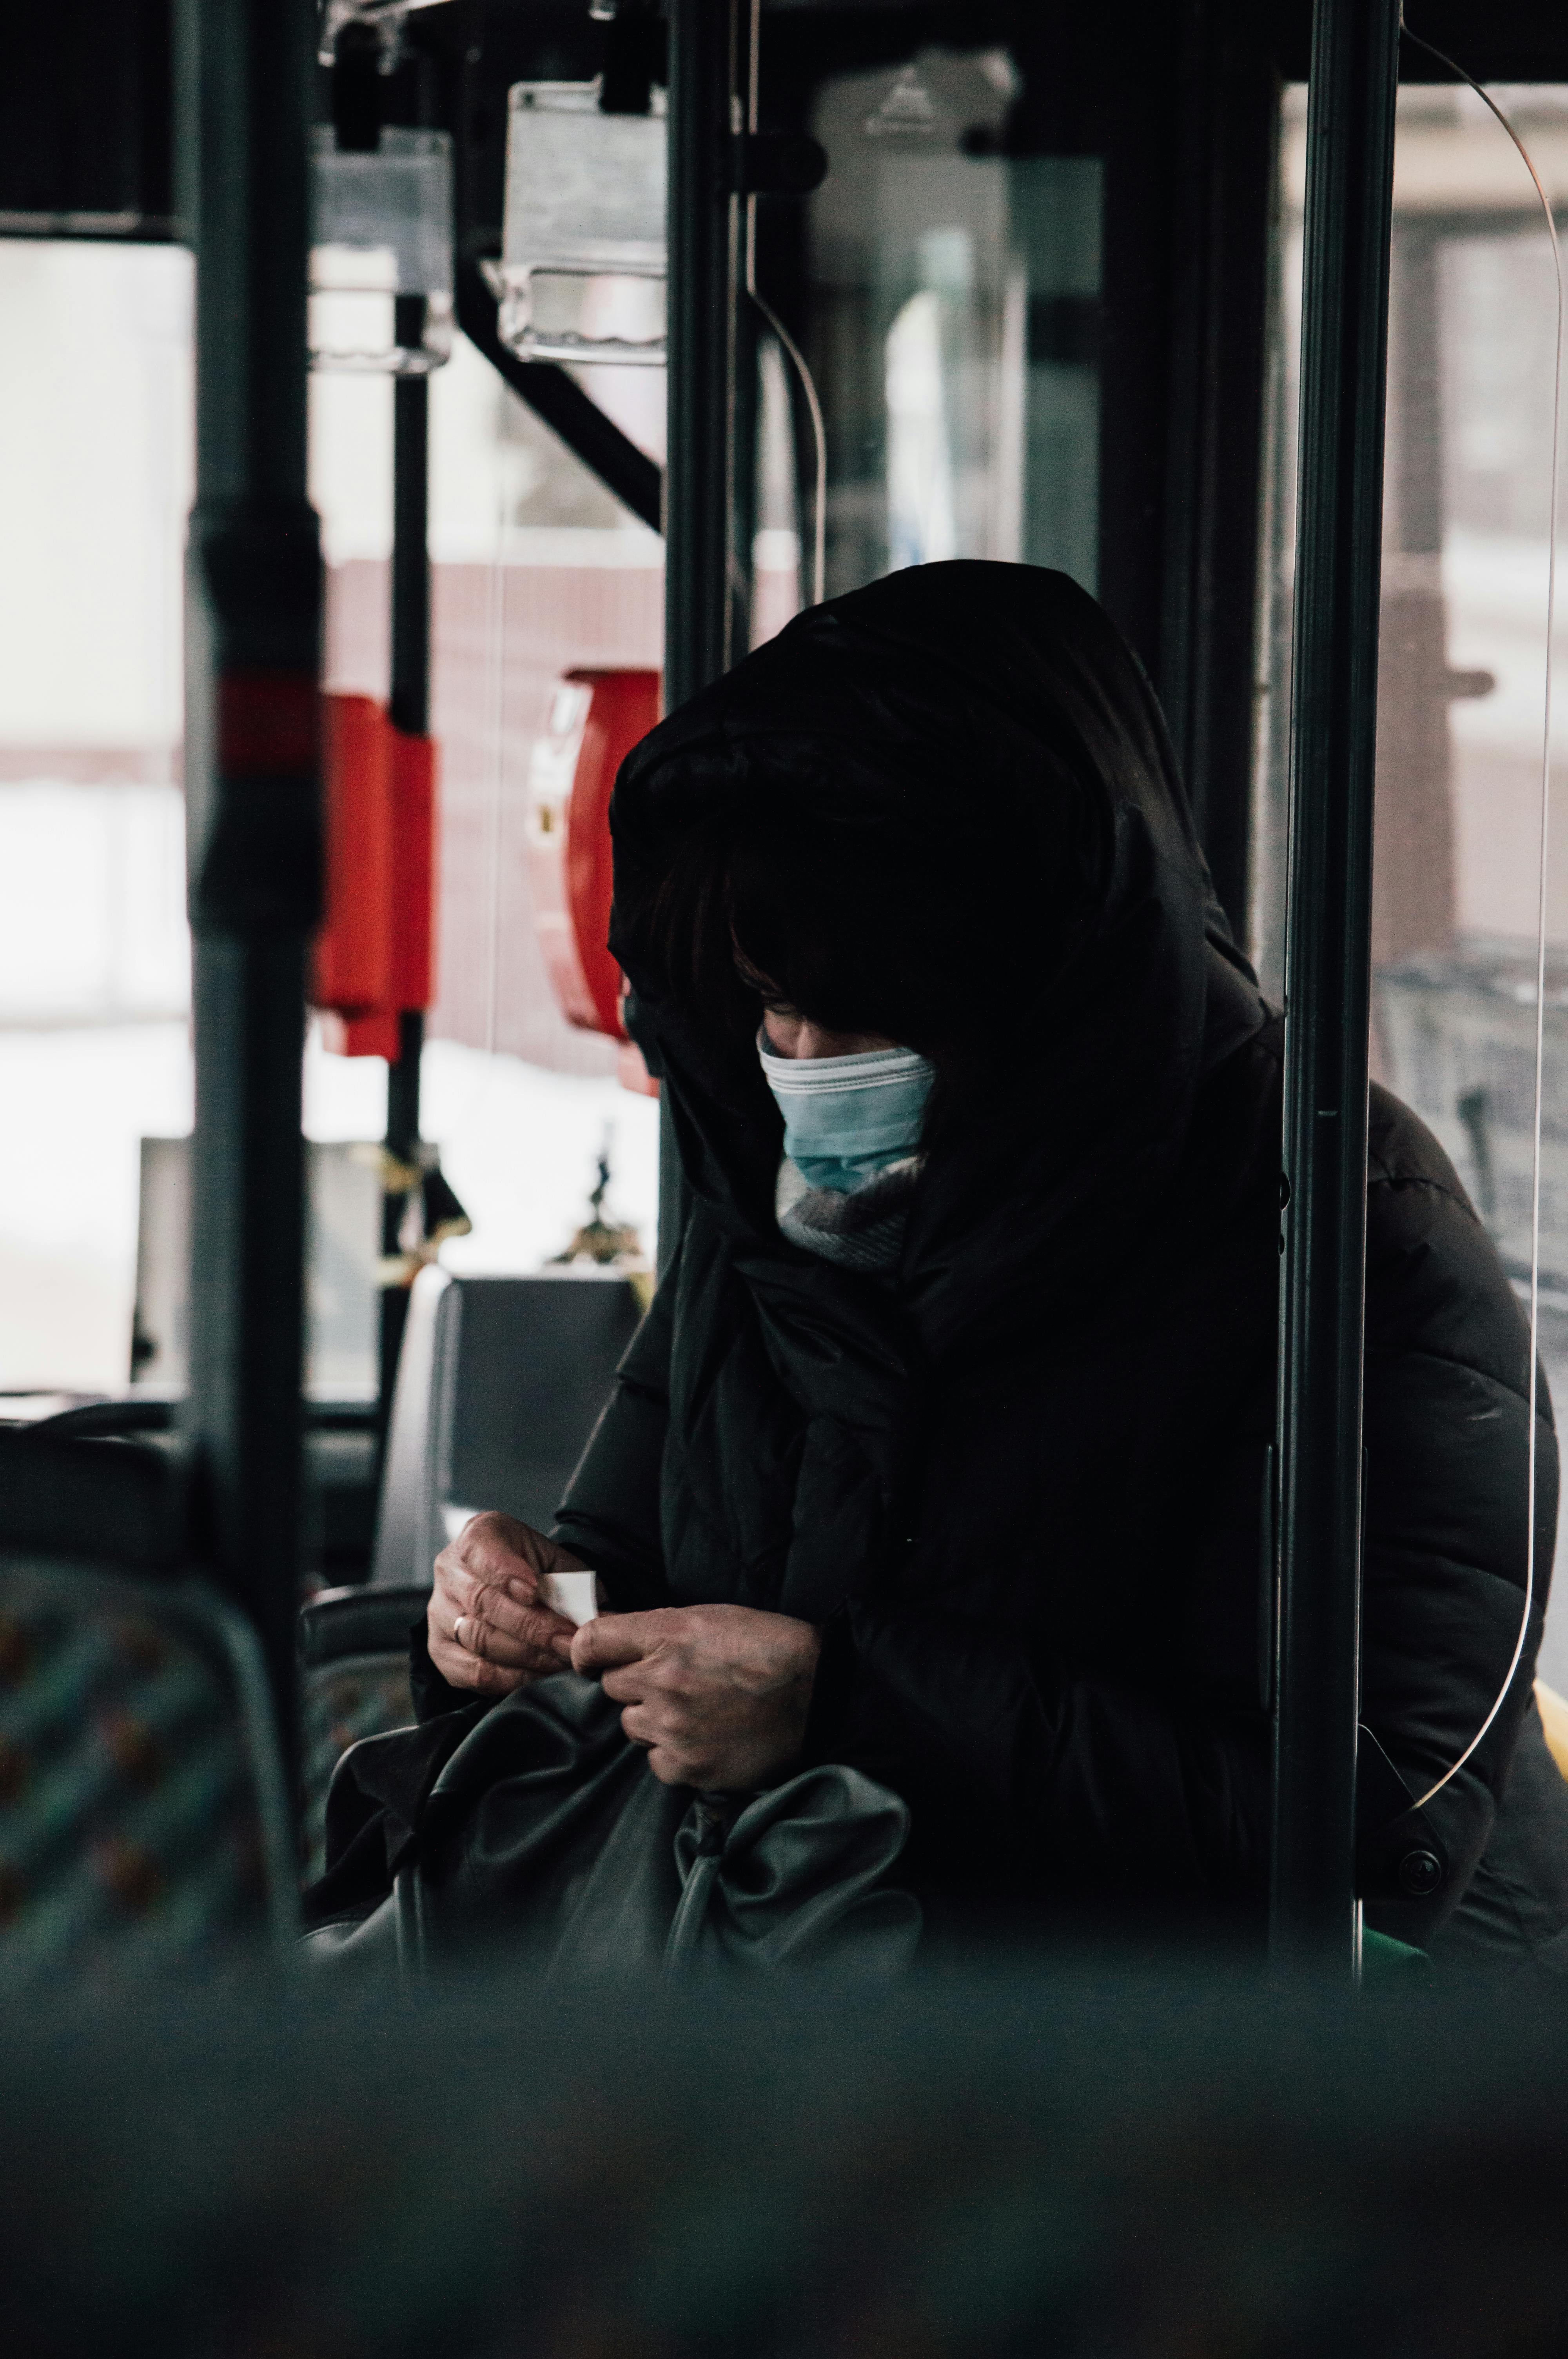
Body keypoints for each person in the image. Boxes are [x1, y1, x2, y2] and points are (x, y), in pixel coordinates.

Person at [383, 562, 1568, 1962]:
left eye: (867, 1014)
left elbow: (1375, 1836)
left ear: (1031, 980)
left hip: (1266, 2117)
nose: (806, 1069)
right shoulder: (774, 1210)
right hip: (854, 2033)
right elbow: (640, 1572)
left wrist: (844, 1709)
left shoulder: (1344, 1241)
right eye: (771, 1010)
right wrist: (521, 1615)